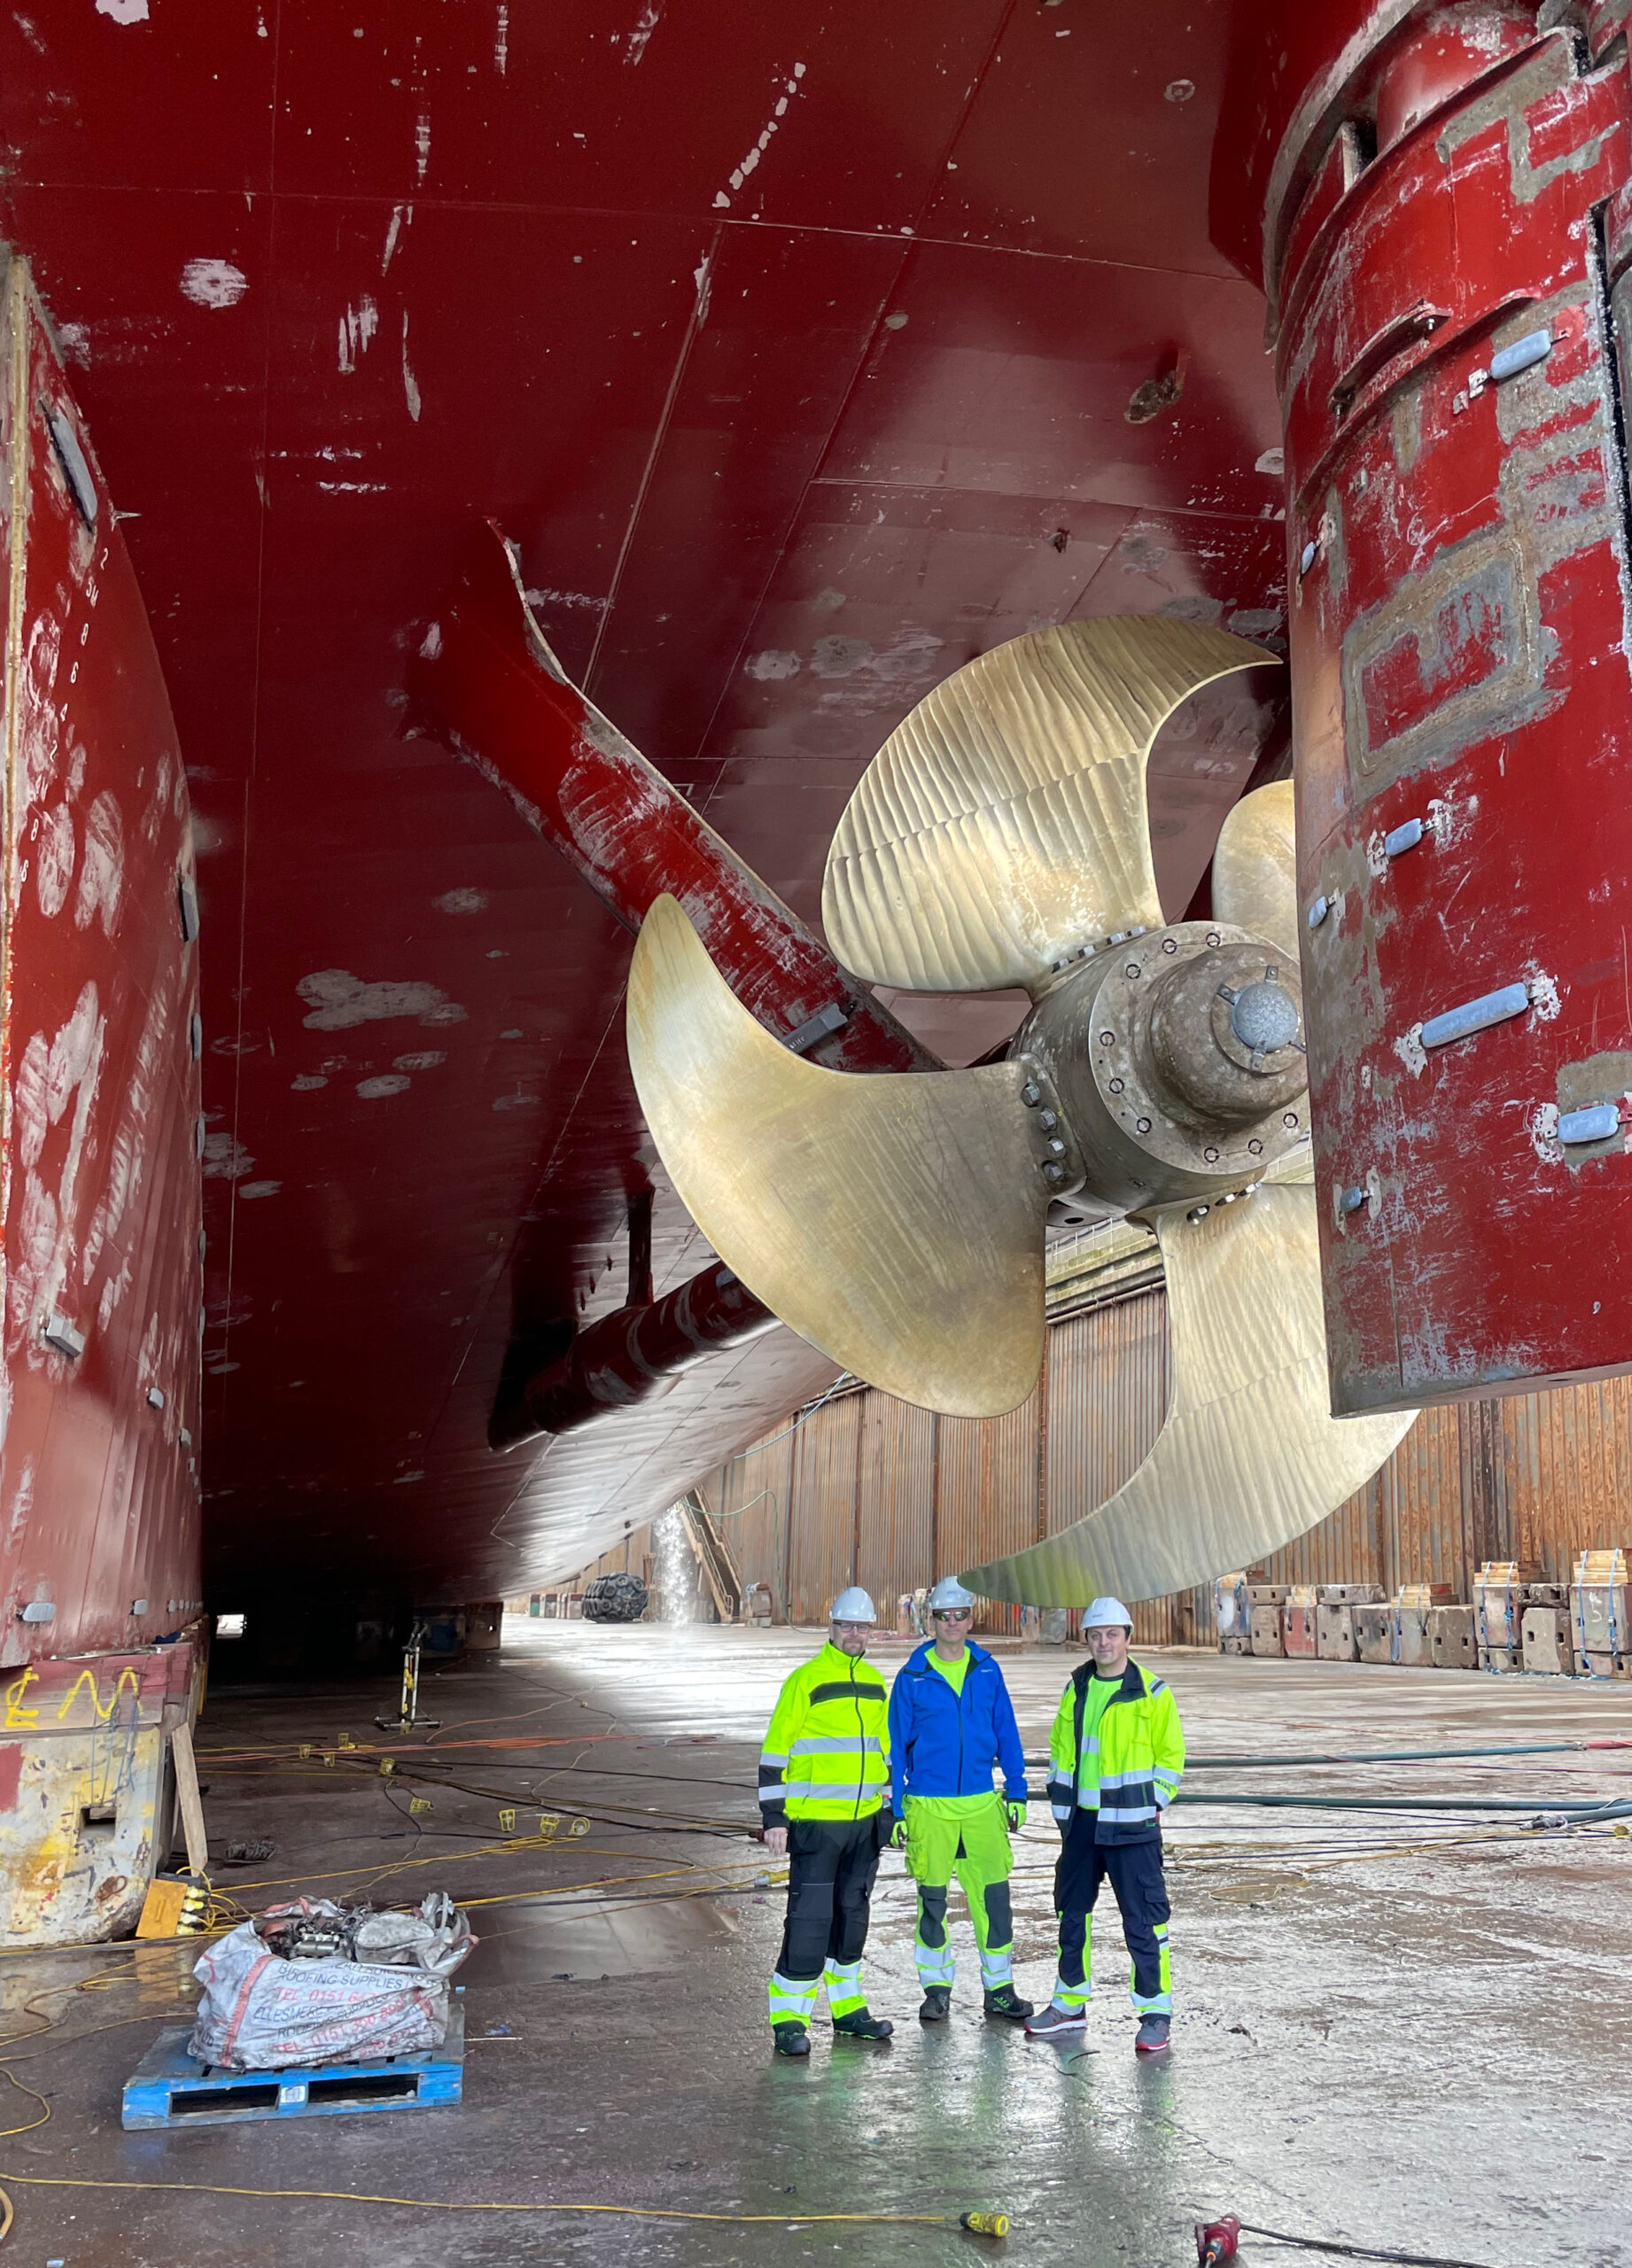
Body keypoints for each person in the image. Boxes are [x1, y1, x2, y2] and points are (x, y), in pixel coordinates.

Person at [1025, 1596, 1185, 2054]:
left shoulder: (1152, 1692)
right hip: (1082, 1824)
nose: (1103, 1643)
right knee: (1072, 1915)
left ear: (1127, 1638)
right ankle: (1069, 2004)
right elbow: (1061, 1748)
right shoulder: (1076, 1687)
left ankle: (1155, 2013)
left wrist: (1152, 1801)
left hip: (1132, 1826)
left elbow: (1171, 1757)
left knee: (1145, 1921)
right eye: (1095, 1635)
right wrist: (1061, 1806)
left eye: (1112, 1634)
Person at [887, 1576, 1033, 2025]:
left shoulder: (987, 1670)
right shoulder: (912, 1677)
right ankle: (936, 1991)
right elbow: (895, 1746)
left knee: (994, 1900)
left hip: (981, 1805)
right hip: (928, 1806)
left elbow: (1006, 1731)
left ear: (971, 1619)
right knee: (933, 1902)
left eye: (960, 1615)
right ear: (931, 1621)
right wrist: (895, 1809)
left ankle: (1000, 1989)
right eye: (944, 1616)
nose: (952, 1622)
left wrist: (1017, 1789)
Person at [758, 1586, 895, 2057]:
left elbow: (885, 1751)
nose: (855, 1634)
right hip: (816, 1825)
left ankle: (849, 2011)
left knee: (852, 1920)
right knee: (809, 1923)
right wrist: (774, 1817)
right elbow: (775, 1751)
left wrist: (889, 1809)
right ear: (831, 1628)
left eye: (862, 1627)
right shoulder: (806, 1681)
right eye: (847, 1626)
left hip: (863, 1825)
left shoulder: (876, 1684)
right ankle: (789, 2021)